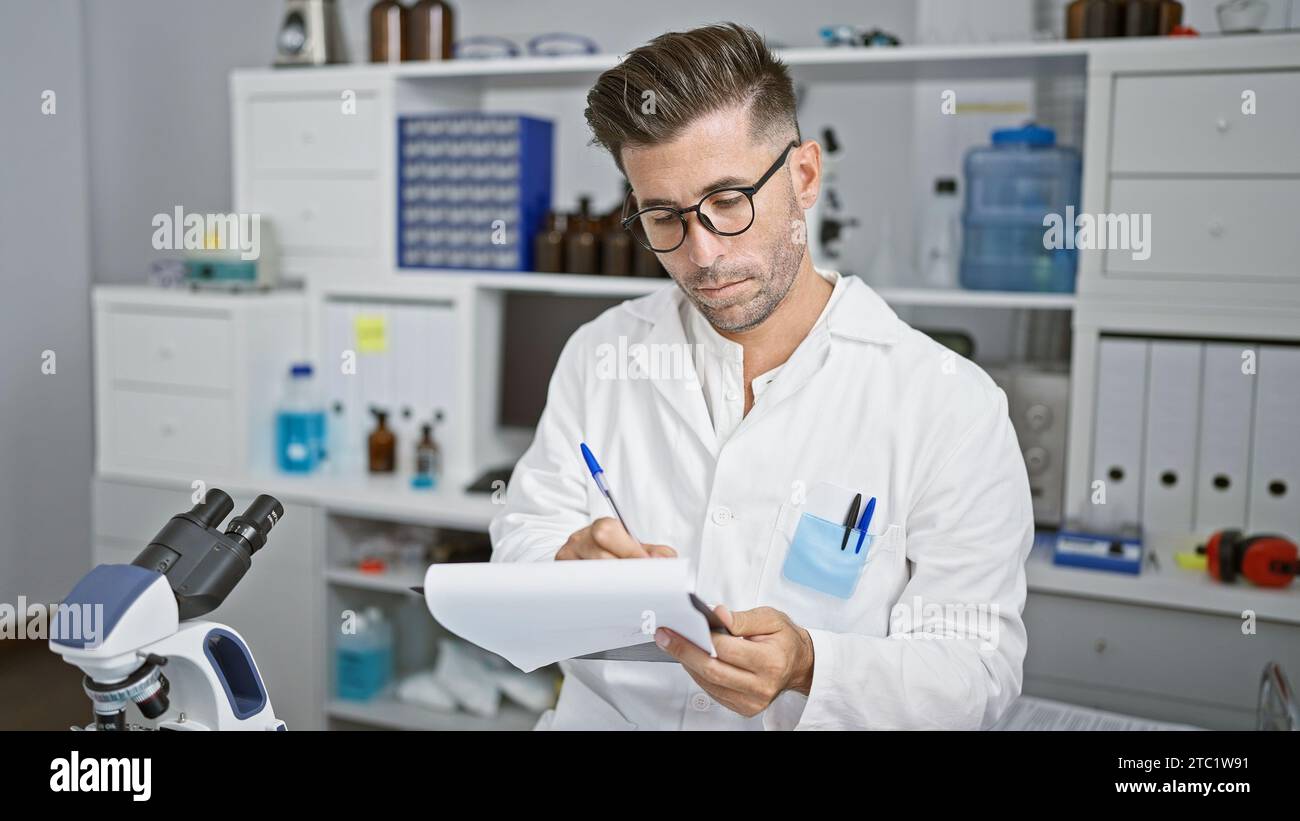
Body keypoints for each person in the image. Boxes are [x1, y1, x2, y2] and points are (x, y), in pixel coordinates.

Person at [490, 22, 1034, 730]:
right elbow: (521, 541)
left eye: (728, 201)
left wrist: (811, 666)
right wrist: (565, 563)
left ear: (804, 176)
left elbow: (978, 672)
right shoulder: (602, 352)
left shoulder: (949, 404)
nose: (703, 254)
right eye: (663, 216)